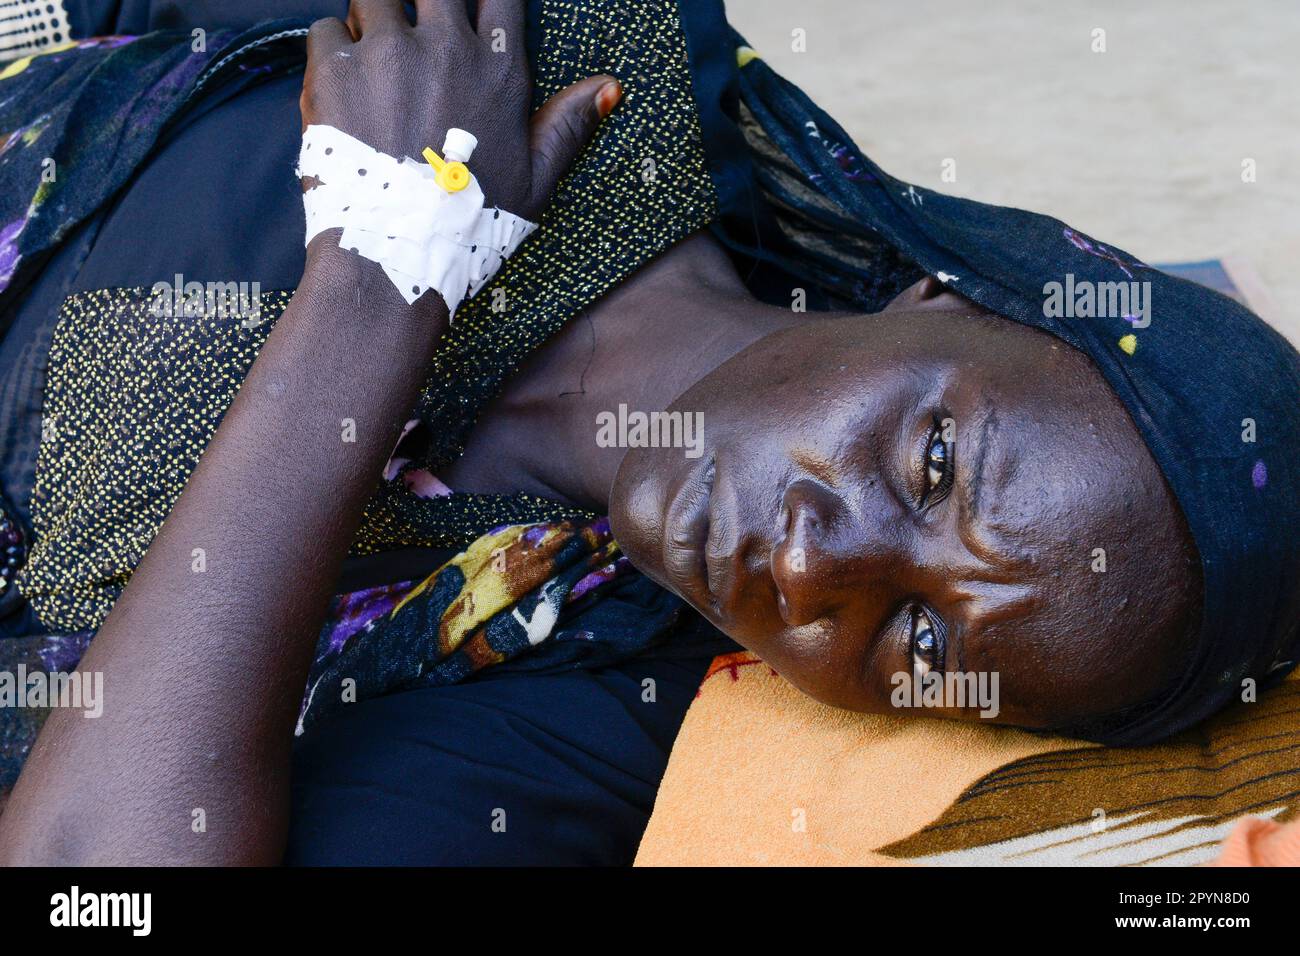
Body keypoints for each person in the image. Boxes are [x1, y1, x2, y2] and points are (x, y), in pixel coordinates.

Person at [0, 0, 1295, 864]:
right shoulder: (601, 43)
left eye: (917, 640)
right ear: (947, 294)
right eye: (935, 465)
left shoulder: (587, 693)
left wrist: (386, 274)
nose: (812, 571)